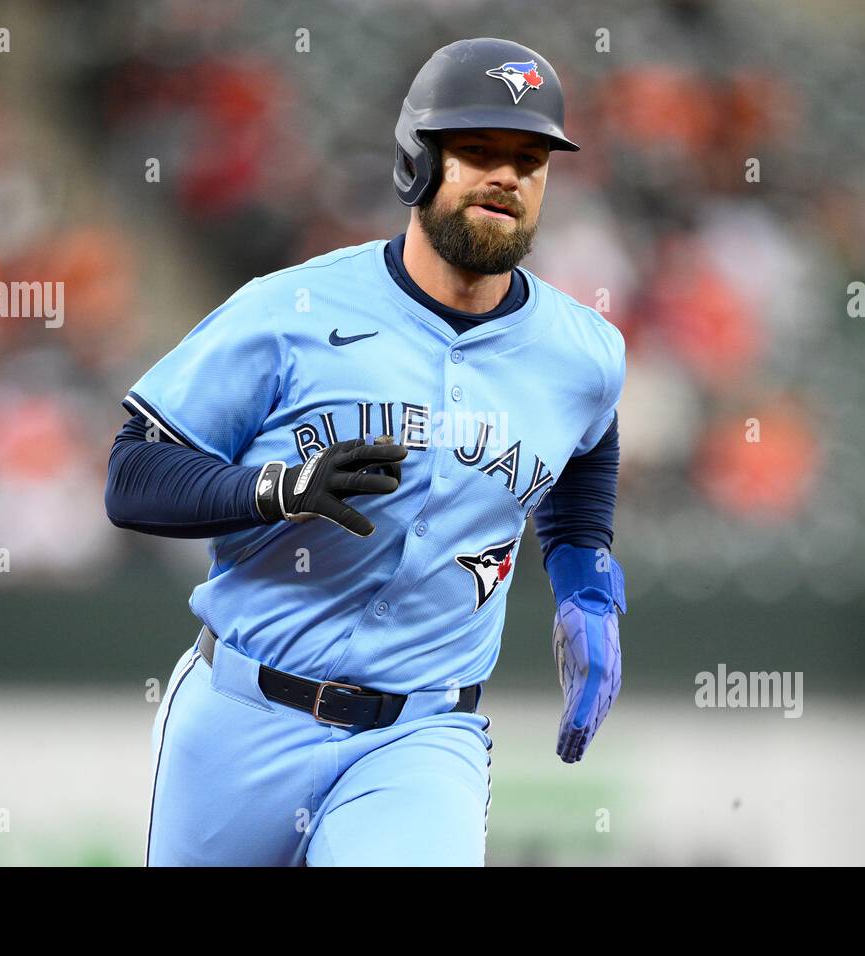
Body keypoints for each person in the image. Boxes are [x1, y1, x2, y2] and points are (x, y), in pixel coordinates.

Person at [104, 37, 627, 866]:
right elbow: (132, 477)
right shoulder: (290, 308)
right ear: (417, 163)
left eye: (530, 159)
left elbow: (587, 448)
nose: (508, 177)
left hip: (422, 735)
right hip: (242, 713)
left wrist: (585, 584)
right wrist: (275, 489)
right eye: (480, 151)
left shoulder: (583, 353)